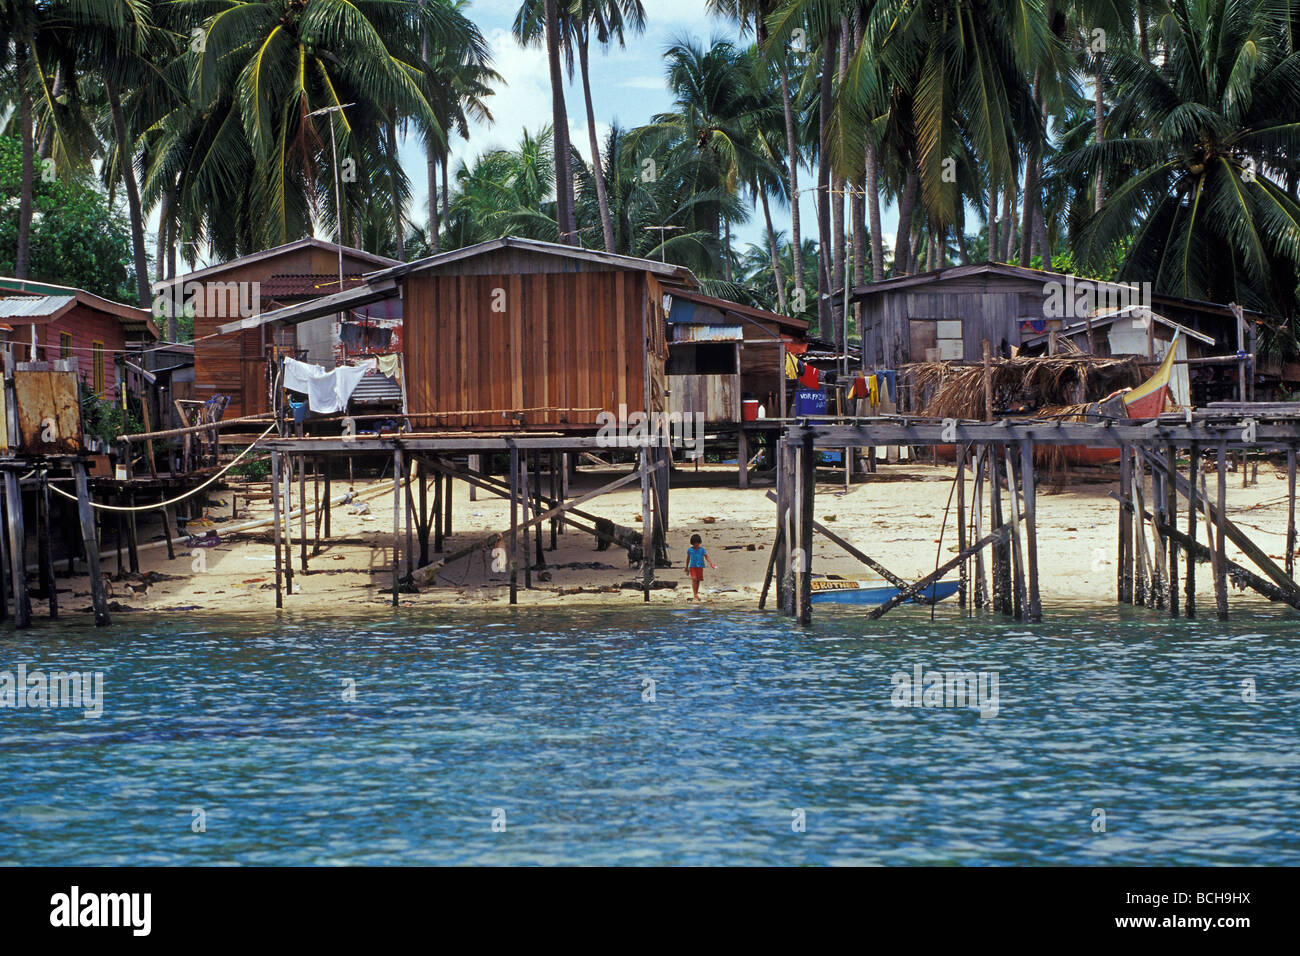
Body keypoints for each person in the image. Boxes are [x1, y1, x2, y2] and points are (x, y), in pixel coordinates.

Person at [685, 533, 716, 602]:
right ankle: (694, 594)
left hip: (700, 566)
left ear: (699, 543)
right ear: (692, 543)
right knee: (694, 579)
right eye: (694, 543)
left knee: (698, 580)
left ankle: (696, 593)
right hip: (692, 566)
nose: (696, 545)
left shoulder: (702, 550)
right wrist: (686, 567)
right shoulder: (690, 550)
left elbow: (706, 556)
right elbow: (688, 559)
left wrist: (711, 564)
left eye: (697, 543)